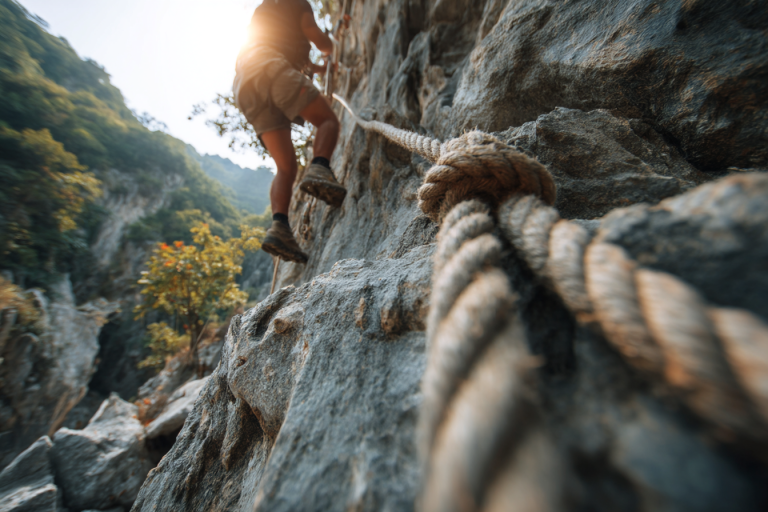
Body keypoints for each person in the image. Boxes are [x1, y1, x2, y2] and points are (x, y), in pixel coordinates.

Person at [233, 0, 346, 264]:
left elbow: (299, 56)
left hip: (245, 85)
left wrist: (318, 68)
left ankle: (279, 227)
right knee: (328, 120)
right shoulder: (297, 2)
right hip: (271, 67)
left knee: (286, 167)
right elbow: (315, 36)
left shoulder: (267, 11)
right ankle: (319, 166)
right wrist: (331, 48)